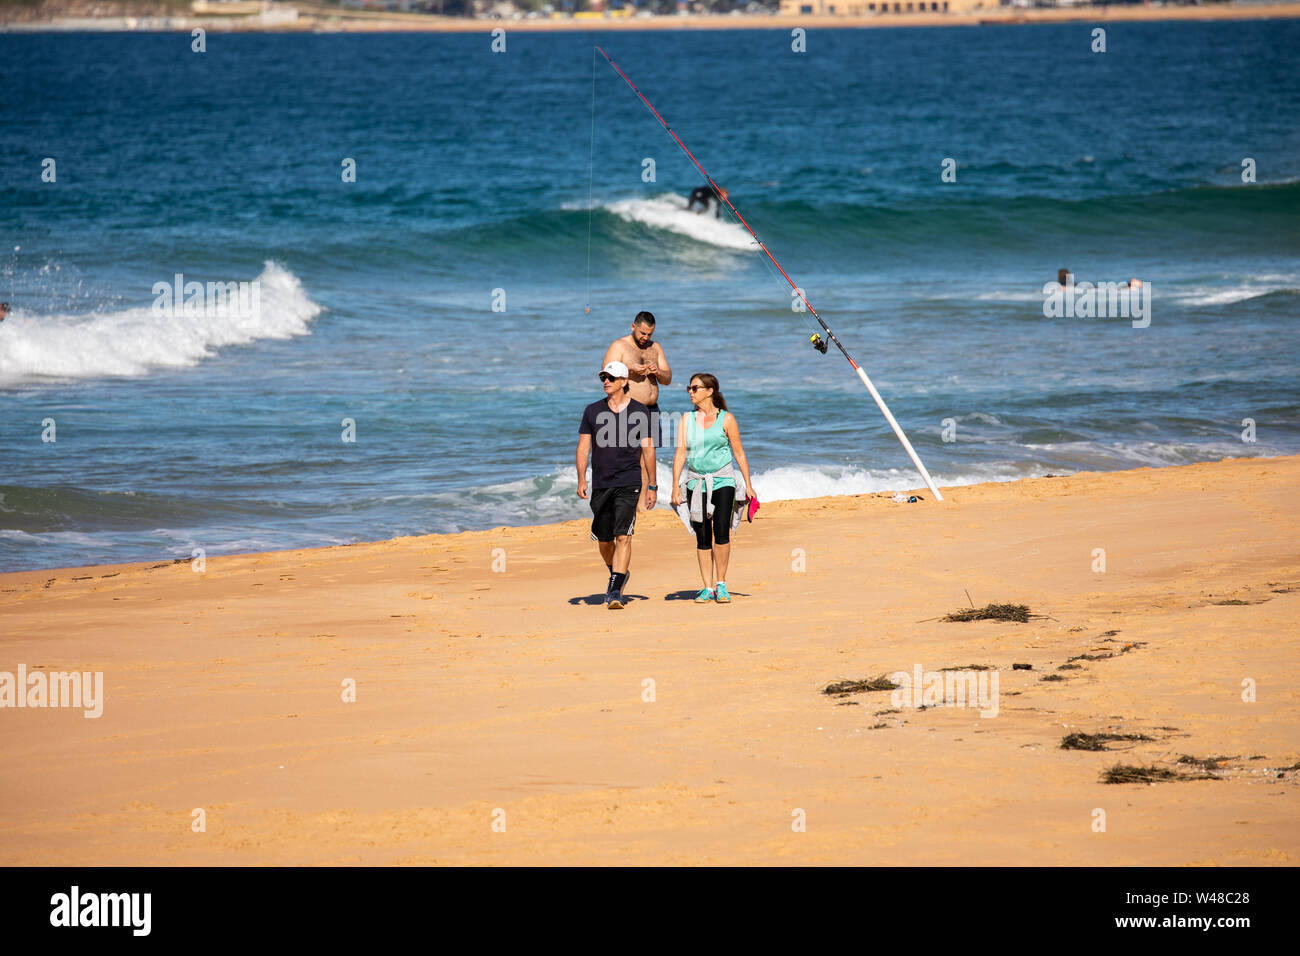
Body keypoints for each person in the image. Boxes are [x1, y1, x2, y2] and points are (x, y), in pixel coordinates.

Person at [576, 361, 657, 610]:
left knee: (623, 535)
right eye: (603, 377)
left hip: (629, 481)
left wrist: (652, 485)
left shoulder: (640, 412)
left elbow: (648, 448)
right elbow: (583, 447)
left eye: (611, 377)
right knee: (604, 540)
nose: (606, 381)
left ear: (624, 382)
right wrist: (581, 478)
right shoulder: (592, 411)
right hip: (602, 482)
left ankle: (614, 591)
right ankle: (618, 573)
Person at [671, 373, 756, 605]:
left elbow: (738, 452)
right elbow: (680, 454)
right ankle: (707, 587)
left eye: (694, 388)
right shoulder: (686, 420)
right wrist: (675, 486)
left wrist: (748, 484)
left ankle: (721, 584)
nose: (690, 392)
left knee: (721, 531)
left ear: (709, 391)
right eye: (689, 388)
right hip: (695, 481)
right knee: (702, 535)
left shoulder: (726, 419)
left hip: (723, 480)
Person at [602, 311, 671, 449]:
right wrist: (629, 368)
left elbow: (667, 378)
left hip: (652, 409)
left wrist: (658, 372)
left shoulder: (655, 347)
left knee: (650, 455)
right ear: (633, 326)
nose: (645, 337)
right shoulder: (619, 345)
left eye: (649, 334)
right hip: (629, 409)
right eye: (642, 333)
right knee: (629, 456)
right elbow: (605, 375)